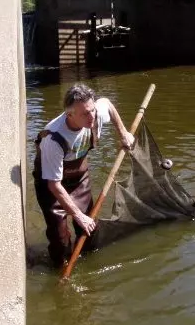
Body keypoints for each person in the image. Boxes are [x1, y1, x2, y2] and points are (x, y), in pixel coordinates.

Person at [33, 84, 134, 268]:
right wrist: (77, 215)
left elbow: (108, 105)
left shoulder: (94, 113)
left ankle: (88, 263)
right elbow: (54, 186)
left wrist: (123, 133)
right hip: (52, 184)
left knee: (89, 229)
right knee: (59, 238)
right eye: (85, 114)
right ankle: (60, 267)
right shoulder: (53, 139)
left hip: (80, 178)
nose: (92, 117)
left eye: (92, 111)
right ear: (69, 115)